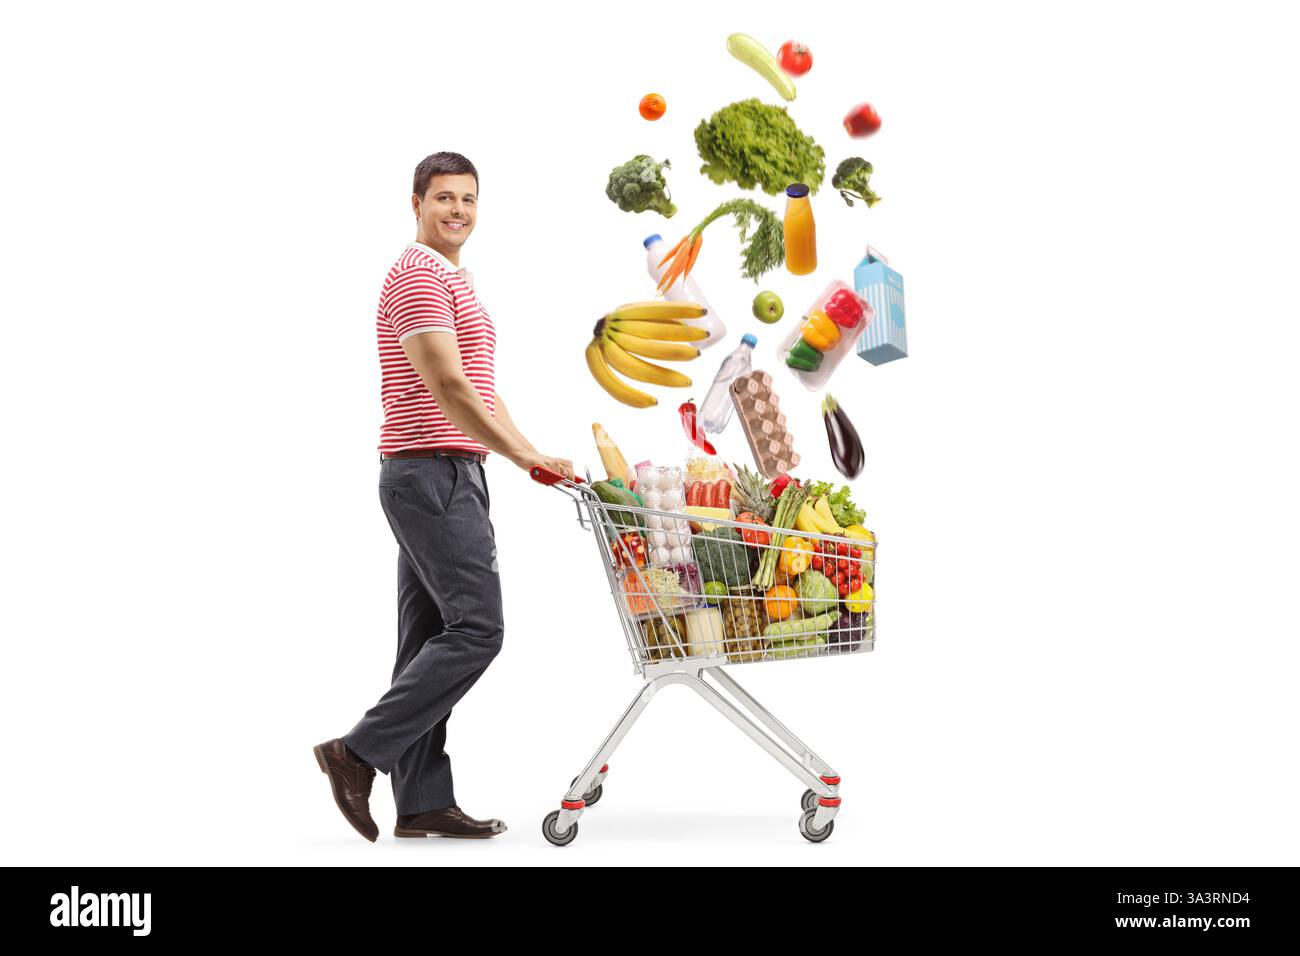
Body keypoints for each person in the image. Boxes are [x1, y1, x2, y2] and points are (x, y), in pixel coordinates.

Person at [314, 151, 574, 842]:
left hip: (449, 471)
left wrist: (532, 451)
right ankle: (356, 751)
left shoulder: (453, 280)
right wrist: (521, 459)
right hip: (430, 473)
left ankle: (424, 800)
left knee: (428, 639)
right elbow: (449, 388)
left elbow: (481, 388)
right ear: (416, 205)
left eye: (468, 199)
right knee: (478, 630)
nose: (457, 211)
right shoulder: (418, 278)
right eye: (444, 199)